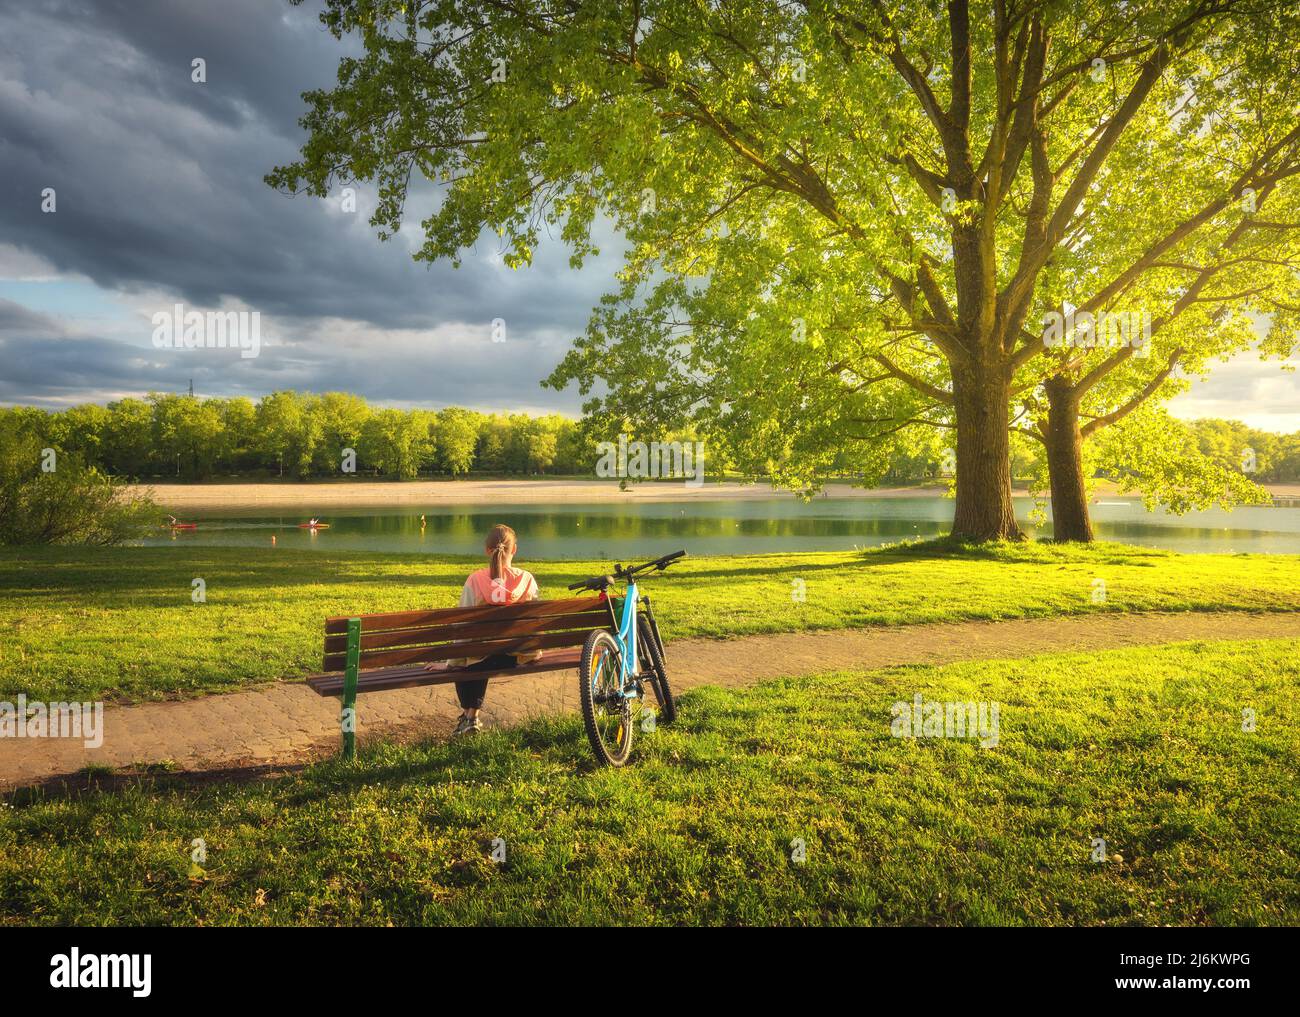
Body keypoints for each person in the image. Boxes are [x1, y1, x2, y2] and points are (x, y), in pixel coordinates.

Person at [428, 524, 540, 736]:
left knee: (469, 659)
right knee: (482, 654)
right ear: (514, 550)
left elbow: (462, 628)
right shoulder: (527, 579)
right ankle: (471, 717)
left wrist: (449, 664)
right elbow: (535, 620)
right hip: (519, 655)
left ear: (487, 550)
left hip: (482, 656)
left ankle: (470, 717)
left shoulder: (475, 580)